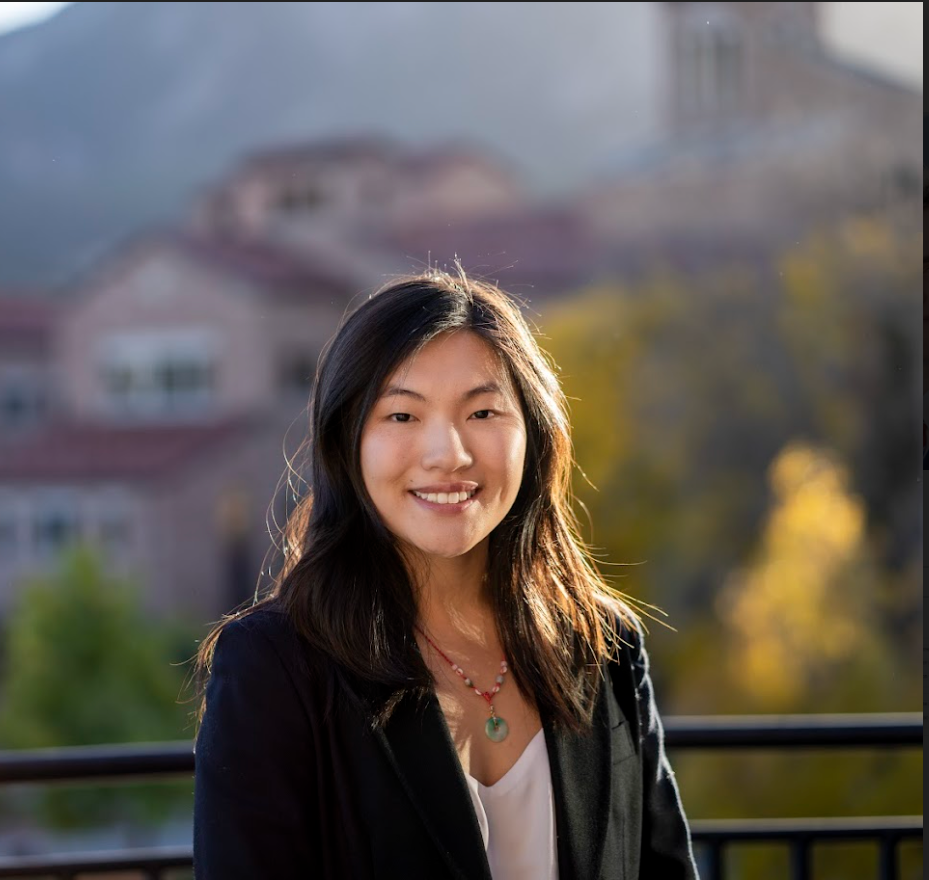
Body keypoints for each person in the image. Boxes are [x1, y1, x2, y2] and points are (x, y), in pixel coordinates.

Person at [192, 269, 698, 879]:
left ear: (533, 435)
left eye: (483, 412)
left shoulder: (603, 645)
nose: (448, 454)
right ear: (346, 443)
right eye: (402, 417)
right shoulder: (275, 666)